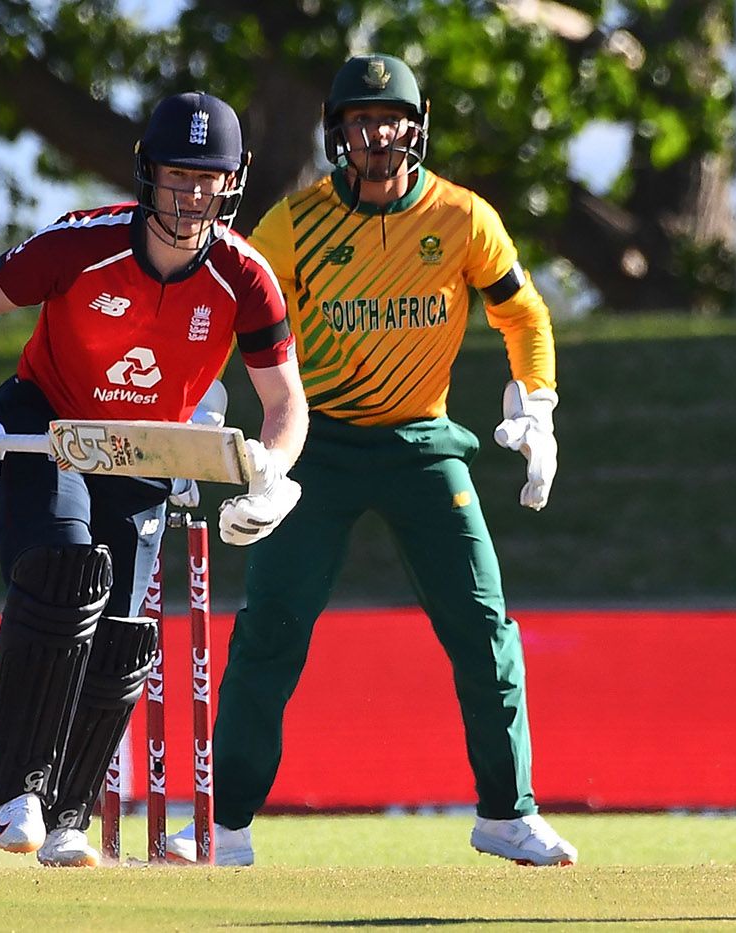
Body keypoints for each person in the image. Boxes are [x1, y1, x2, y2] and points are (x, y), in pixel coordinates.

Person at [166, 53, 578, 867]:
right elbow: (225, 307)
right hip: (315, 446)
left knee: (483, 625)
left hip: (425, 444)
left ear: (416, 129)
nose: (377, 136)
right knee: (272, 628)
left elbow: (523, 314)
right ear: (337, 133)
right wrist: (201, 404)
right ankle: (225, 825)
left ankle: (508, 811)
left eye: (390, 120)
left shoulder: (465, 218)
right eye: (360, 122)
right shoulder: (294, 223)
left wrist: (539, 405)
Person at [0, 91, 309, 867]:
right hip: (50, 428)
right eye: (176, 175)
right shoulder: (82, 242)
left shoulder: (246, 278)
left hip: (145, 451)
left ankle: (68, 816)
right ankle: (17, 789)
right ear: (147, 173)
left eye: (208, 178)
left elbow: (284, 400)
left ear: (232, 182)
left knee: (126, 636)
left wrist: (273, 473)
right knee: (68, 572)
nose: (191, 194)